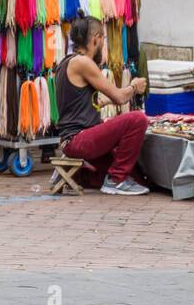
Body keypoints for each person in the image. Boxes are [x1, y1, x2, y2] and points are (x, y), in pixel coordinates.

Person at [55, 15, 150, 194]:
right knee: (137, 119)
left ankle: (84, 176)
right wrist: (134, 87)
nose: (103, 44)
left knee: (138, 177)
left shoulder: (67, 61)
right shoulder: (82, 62)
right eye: (103, 39)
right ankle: (115, 180)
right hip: (78, 139)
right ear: (95, 39)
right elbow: (120, 98)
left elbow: (87, 102)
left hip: (75, 138)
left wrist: (106, 101)